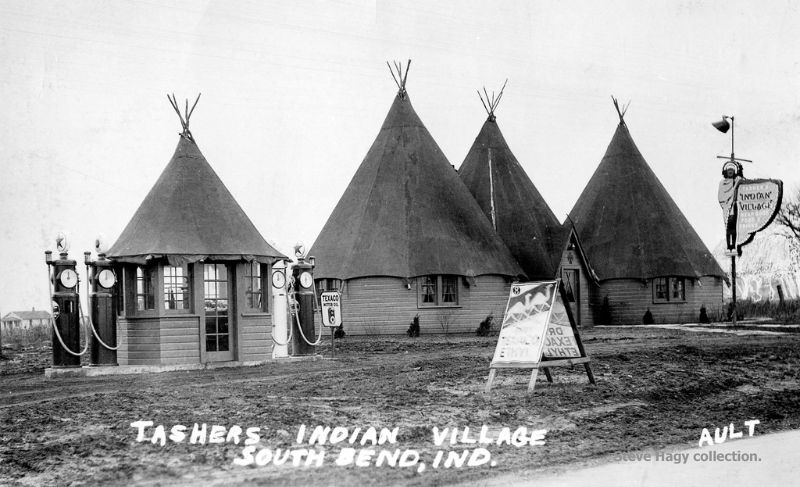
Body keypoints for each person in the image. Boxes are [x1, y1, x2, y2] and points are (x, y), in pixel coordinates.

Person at [718, 160, 744, 252]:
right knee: (728, 228)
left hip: (734, 207)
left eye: (732, 170)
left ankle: (734, 245)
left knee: (734, 227)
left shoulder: (736, 181)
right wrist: (726, 203)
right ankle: (729, 246)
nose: (730, 172)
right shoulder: (722, 183)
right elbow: (721, 196)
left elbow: (742, 184)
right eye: (728, 170)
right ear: (726, 171)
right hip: (726, 208)